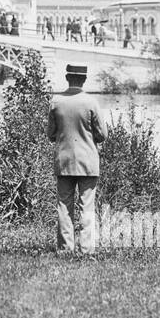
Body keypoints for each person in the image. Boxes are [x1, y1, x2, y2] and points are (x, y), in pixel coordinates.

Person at [47, 64, 106, 253]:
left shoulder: (55, 102)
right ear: (84, 80)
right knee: (86, 205)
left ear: (67, 78)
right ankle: (87, 249)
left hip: (64, 161)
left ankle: (65, 248)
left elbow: (50, 134)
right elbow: (102, 135)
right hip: (88, 162)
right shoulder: (91, 103)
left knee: (64, 205)